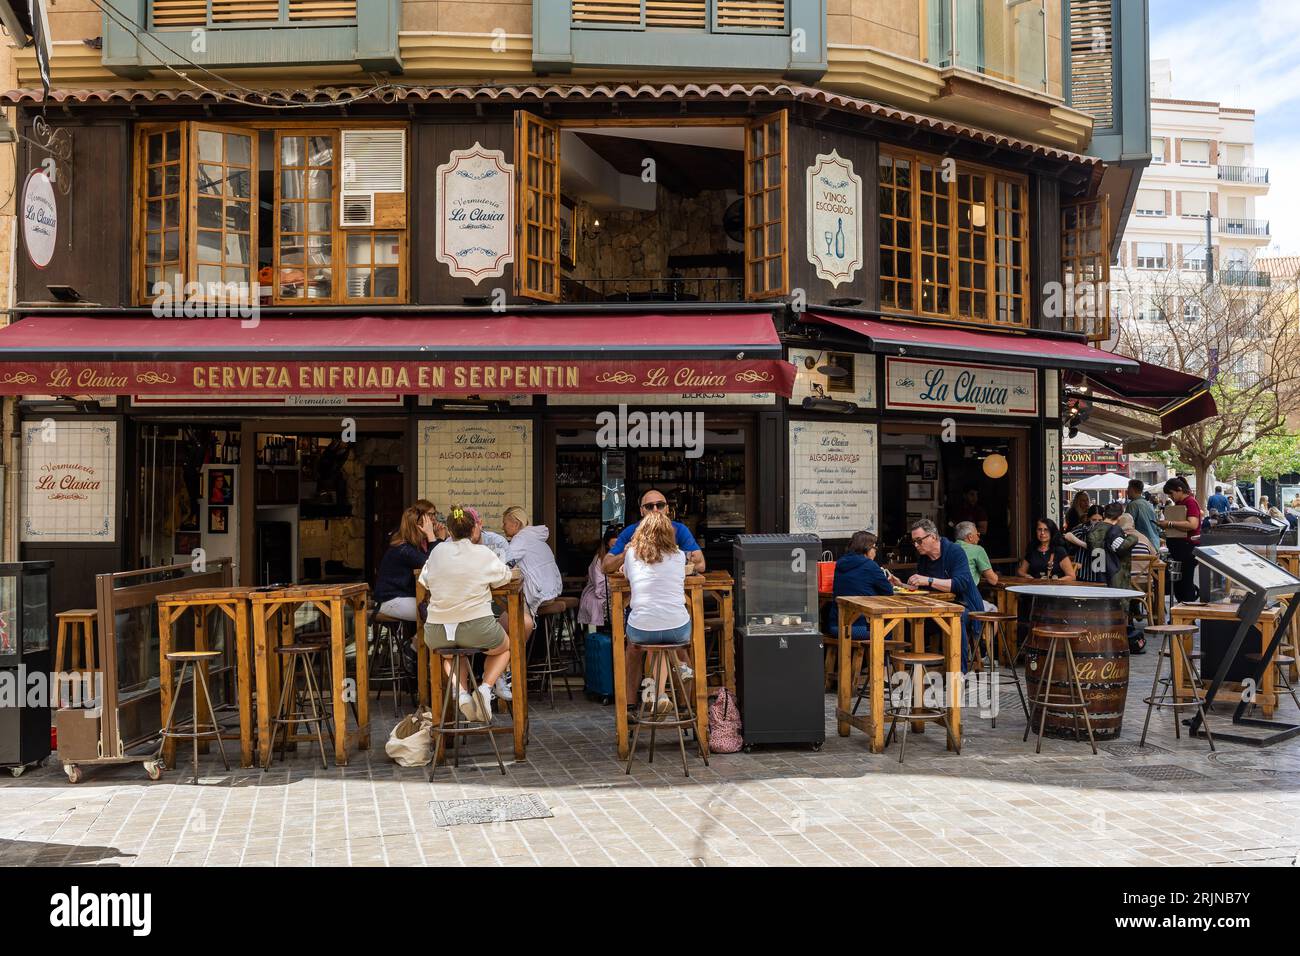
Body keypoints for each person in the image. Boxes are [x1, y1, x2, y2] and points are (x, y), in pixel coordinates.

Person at [418, 505, 519, 722]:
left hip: (437, 632)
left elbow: (424, 581)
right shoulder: (483, 553)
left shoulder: (436, 552)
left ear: (450, 531)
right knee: (506, 646)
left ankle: (462, 693)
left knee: (451, 654)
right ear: (474, 529)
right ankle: (485, 688)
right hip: (477, 628)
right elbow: (504, 576)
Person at [622, 510, 693, 715]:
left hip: (641, 629)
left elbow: (627, 576)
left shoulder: (631, 555)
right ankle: (679, 667)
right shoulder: (679, 556)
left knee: (653, 638)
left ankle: (658, 695)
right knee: (663, 637)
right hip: (677, 629)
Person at [907, 519, 984, 670]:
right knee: (907, 620)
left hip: (966, 605)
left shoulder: (954, 551)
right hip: (937, 607)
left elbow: (960, 583)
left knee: (956, 618)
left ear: (933, 537)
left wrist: (928, 580)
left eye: (919, 541)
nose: (916, 545)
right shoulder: (924, 558)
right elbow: (923, 588)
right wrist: (901, 585)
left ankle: (959, 672)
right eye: (914, 542)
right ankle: (912, 669)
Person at [603, 488, 705, 575]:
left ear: (667, 509)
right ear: (641, 511)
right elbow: (606, 566)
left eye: (660, 505)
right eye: (649, 506)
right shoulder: (630, 531)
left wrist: (634, 566)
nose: (655, 510)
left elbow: (700, 565)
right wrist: (625, 555)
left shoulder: (680, 529)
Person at [502, 506, 564, 634]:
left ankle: (514, 651)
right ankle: (512, 650)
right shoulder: (534, 537)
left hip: (539, 594)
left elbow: (504, 563)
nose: (503, 527)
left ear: (516, 524)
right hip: (551, 591)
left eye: (505, 523)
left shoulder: (521, 539)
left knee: (510, 612)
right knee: (508, 612)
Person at [374, 503, 441, 621]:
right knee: (435, 613)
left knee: (439, 609)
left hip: (402, 597)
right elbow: (432, 564)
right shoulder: (403, 549)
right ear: (417, 527)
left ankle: (415, 638)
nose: (429, 526)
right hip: (391, 600)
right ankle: (416, 639)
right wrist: (432, 535)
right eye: (425, 525)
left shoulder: (410, 547)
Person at [827, 531, 895, 639]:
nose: (875, 552)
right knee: (890, 631)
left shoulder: (840, 563)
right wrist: (889, 583)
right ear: (867, 548)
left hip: (836, 625)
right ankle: (884, 656)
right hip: (860, 627)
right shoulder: (870, 565)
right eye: (874, 548)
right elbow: (889, 592)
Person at [1157, 476, 1202, 603]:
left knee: (1185, 584)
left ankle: (1188, 614)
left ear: (1179, 489)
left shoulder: (1190, 502)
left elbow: (1192, 524)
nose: (1171, 497)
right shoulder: (1180, 503)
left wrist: (1170, 524)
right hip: (1179, 548)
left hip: (1187, 548)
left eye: (1171, 494)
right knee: (1179, 584)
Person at [578, 527, 620, 631]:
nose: (617, 549)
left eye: (620, 545)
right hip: (600, 594)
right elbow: (600, 589)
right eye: (614, 545)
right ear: (606, 544)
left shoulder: (624, 557)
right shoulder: (599, 560)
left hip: (615, 593)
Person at [954, 521, 998, 612]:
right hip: (967, 600)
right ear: (970, 537)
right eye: (977, 534)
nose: (979, 537)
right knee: (993, 609)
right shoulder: (977, 550)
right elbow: (993, 580)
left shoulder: (949, 548)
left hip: (951, 599)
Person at [1125, 479, 1162, 548]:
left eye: (1128, 488)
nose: (1127, 491)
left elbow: (1127, 526)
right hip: (1155, 543)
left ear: (1132, 489)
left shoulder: (1133, 505)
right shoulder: (1149, 504)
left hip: (1142, 545)